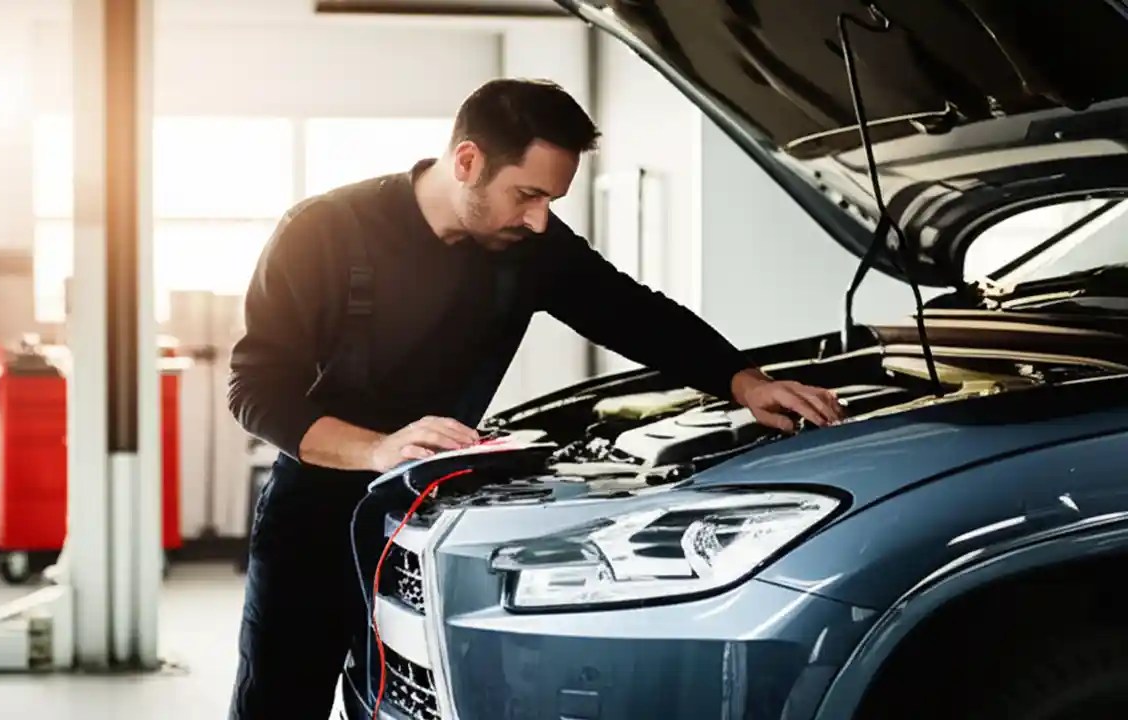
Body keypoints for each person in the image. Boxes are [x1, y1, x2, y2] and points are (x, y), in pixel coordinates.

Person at [225, 77, 844, 719]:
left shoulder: (531, 249)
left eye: (550, 199)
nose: (539, 218)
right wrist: (379, 448)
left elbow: (633, 313)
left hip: (425, 519)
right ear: (467, 161)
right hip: (315, 517)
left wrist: (747, 382)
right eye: (527, 193)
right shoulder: (324, 230)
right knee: (279, 702)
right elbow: (256, 390)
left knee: (402, 705)